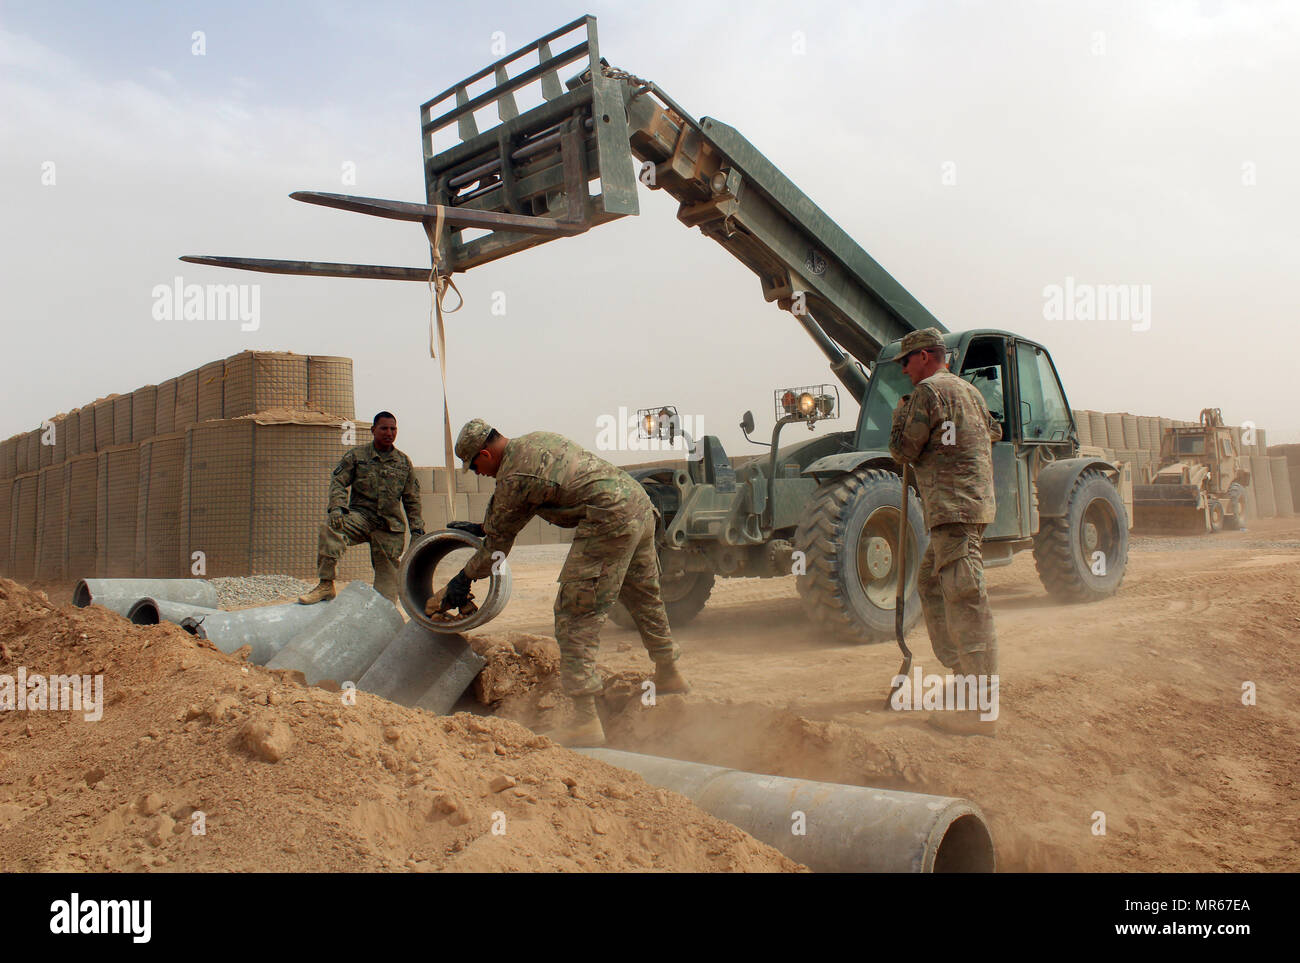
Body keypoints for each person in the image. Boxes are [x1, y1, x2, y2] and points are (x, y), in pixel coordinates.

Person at [434, 418, 688, 747]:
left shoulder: (513, 476)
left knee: (575, 613)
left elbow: (498, 547)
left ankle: (585, 721)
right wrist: (483, 527)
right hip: (639, 507)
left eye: (475, 466)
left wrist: (463, 578)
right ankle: (668, 671)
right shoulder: (535, 441)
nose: (478, 473)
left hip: (608, 519)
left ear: (485, 453)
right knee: (644, 596)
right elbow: (529, 502)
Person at [888, 328, 1001, 736]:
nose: (903, 369)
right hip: (968, 507)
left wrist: (902, 412)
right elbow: (993, 431)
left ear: (923, 357)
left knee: (965, 597)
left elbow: (902, 451)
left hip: (953, 510)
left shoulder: (926, 393)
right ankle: (962, 676)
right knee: (932, 586)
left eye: (905, 361)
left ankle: (980, 706)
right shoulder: (969, 392)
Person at [298, 411, 424, 606]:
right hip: (360, 518)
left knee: (387, 593)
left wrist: (417, 530)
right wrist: (337, 508)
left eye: (393, 428)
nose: (389, 433)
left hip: (389, 527)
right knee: (331, 528)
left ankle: (382, 615)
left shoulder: (403, 462)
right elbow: (339, 482)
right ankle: (325, 585)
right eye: (384, 428)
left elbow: (412, 500)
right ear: (373, 430)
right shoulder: (356, 456)